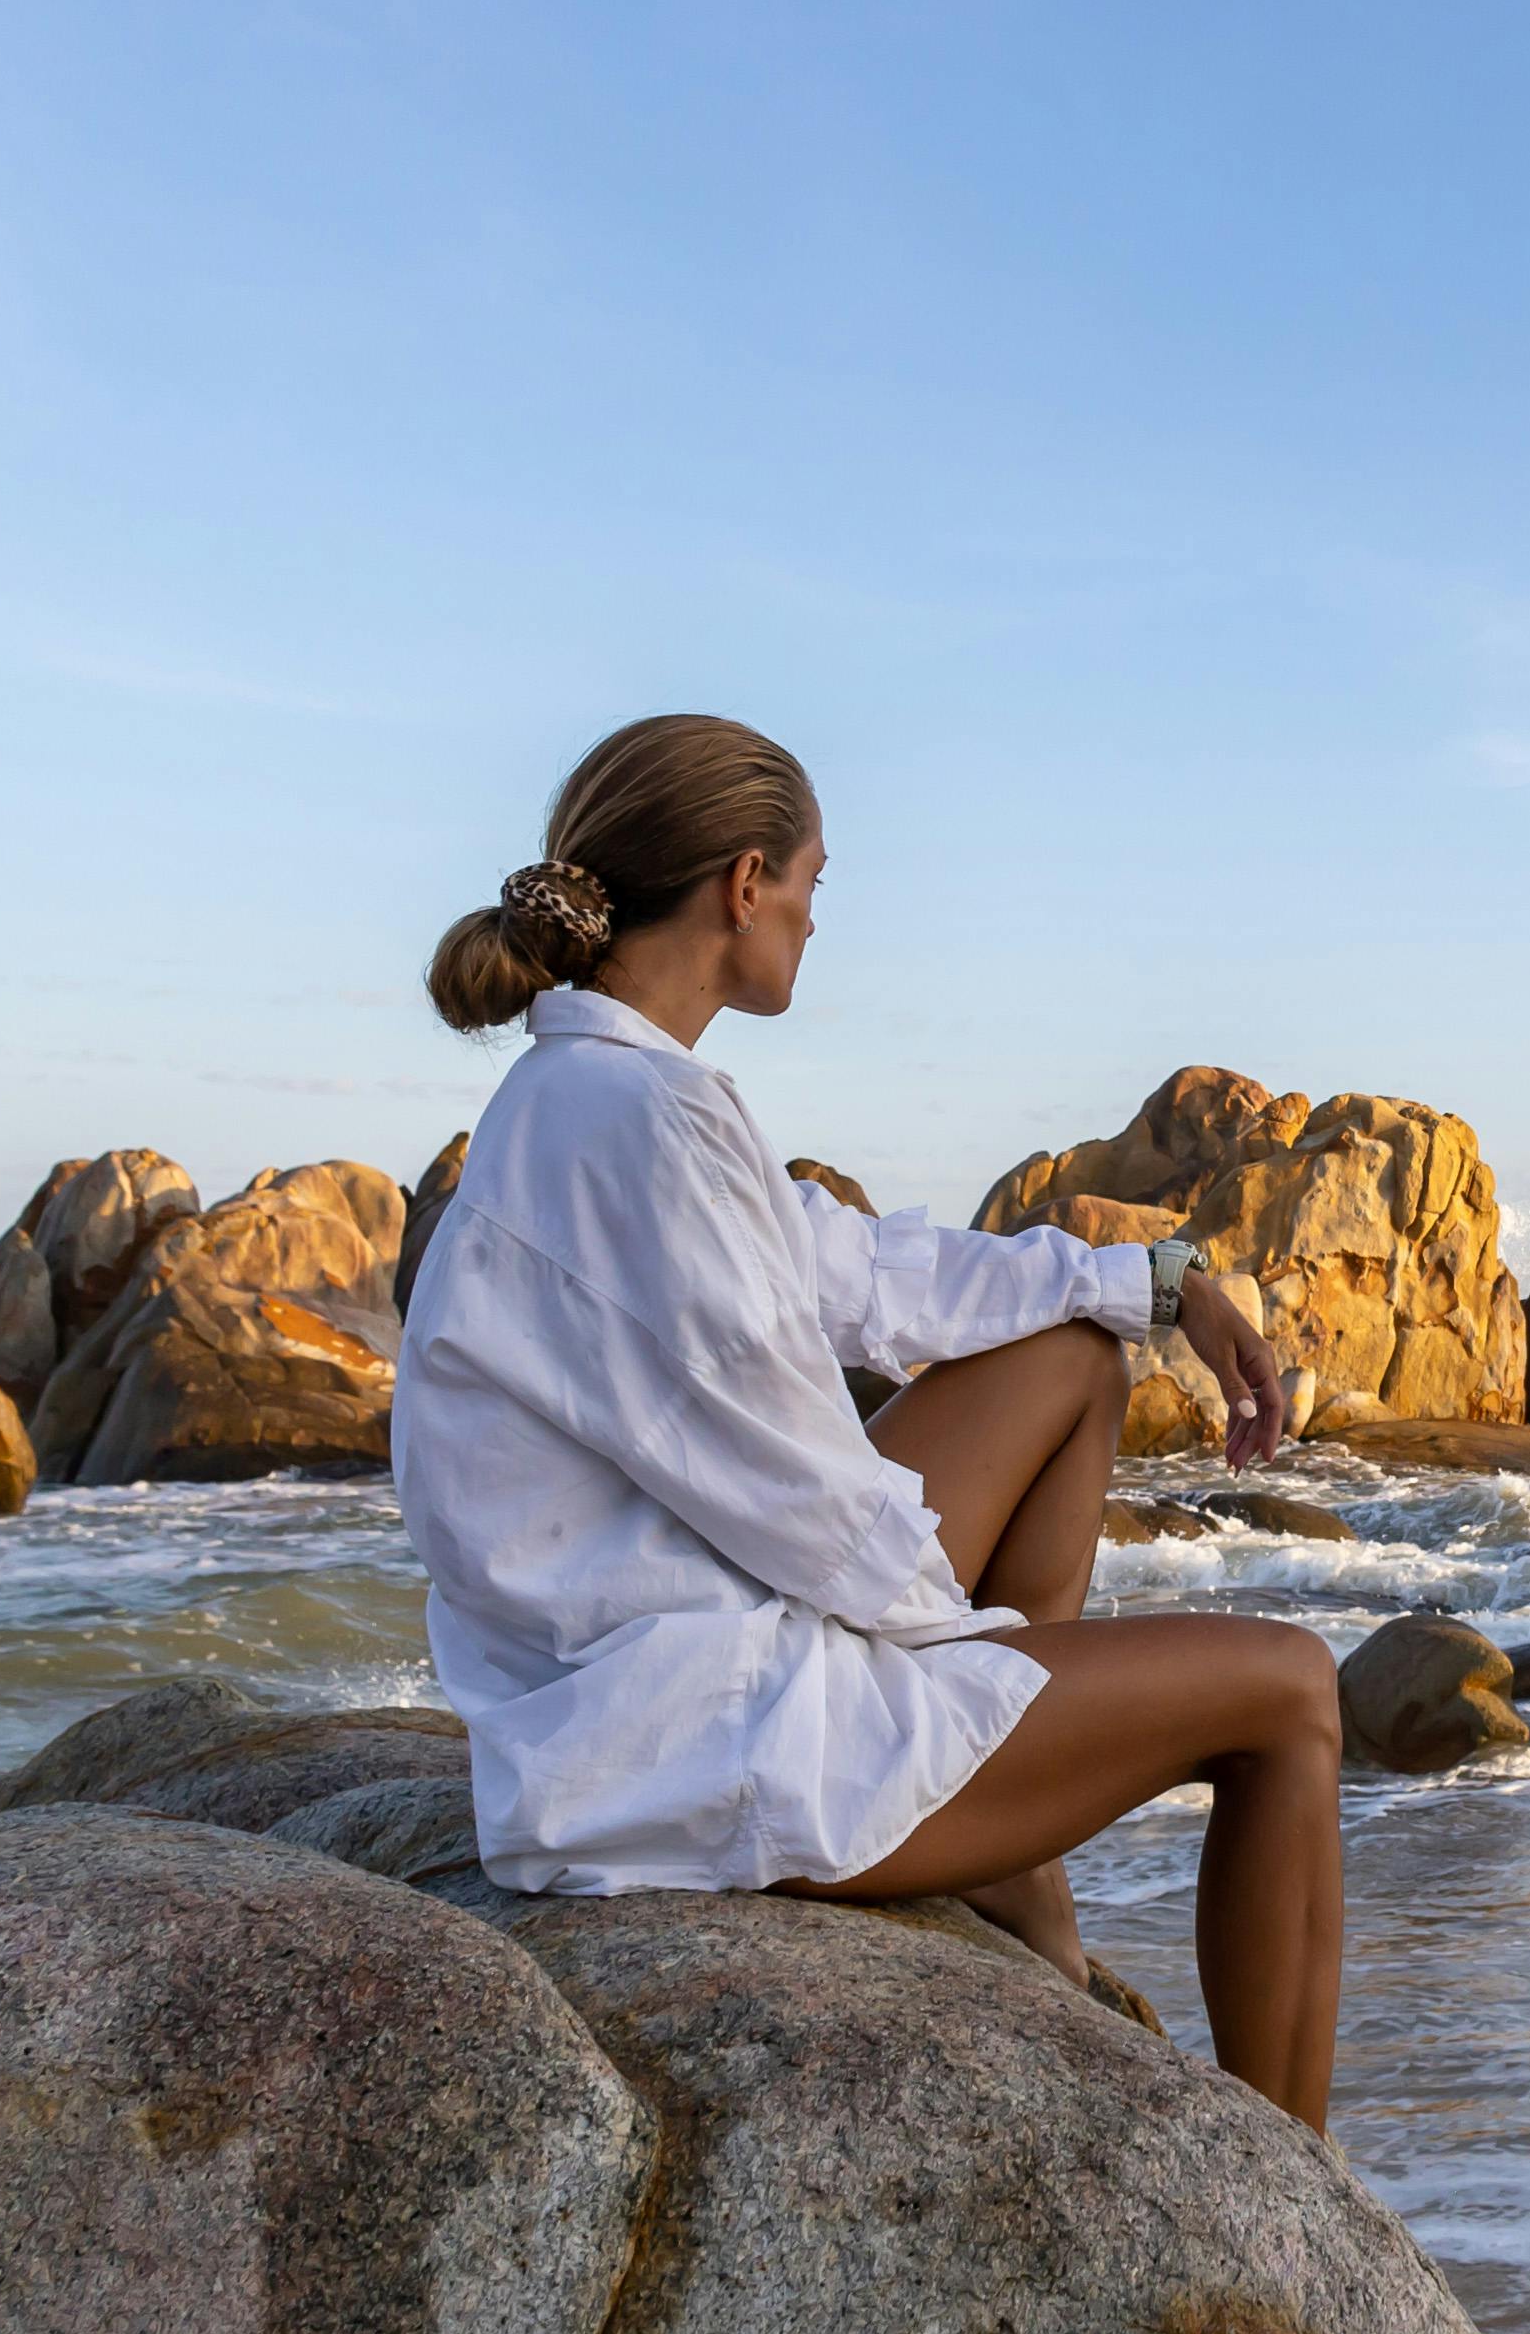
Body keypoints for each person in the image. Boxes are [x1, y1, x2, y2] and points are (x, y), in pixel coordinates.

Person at [388, 712, 1352, 2124]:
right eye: (814, 885)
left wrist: (1160, 1284)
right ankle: (1298, 2192)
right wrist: (985, 1663)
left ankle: (1012, 1857)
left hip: (667, 1653)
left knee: (1071, 1353)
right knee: (1292, 1691)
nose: (814, 920)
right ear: (746, 884)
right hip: (680, 1733)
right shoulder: (635, 1128)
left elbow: (862, 1272)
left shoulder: (605, 1095)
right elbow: (800, 1494)